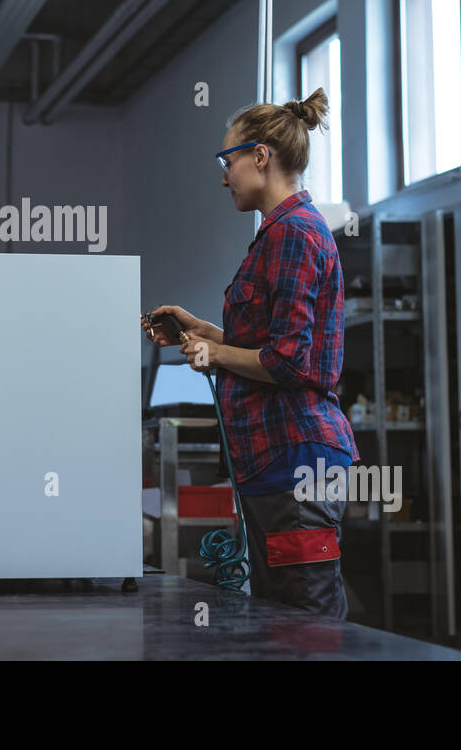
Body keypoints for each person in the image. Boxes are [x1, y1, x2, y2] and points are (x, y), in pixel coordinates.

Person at [142, 87, 358, 619]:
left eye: (228, 159)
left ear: (260, 156)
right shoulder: (277, 234)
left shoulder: (293, 235)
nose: (223, 176)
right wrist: (207, 333)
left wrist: (212, 357)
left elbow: (285, 363)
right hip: (276, 458)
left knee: (305, 619)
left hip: (296, 455)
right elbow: (273, 344)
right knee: (282, 615)